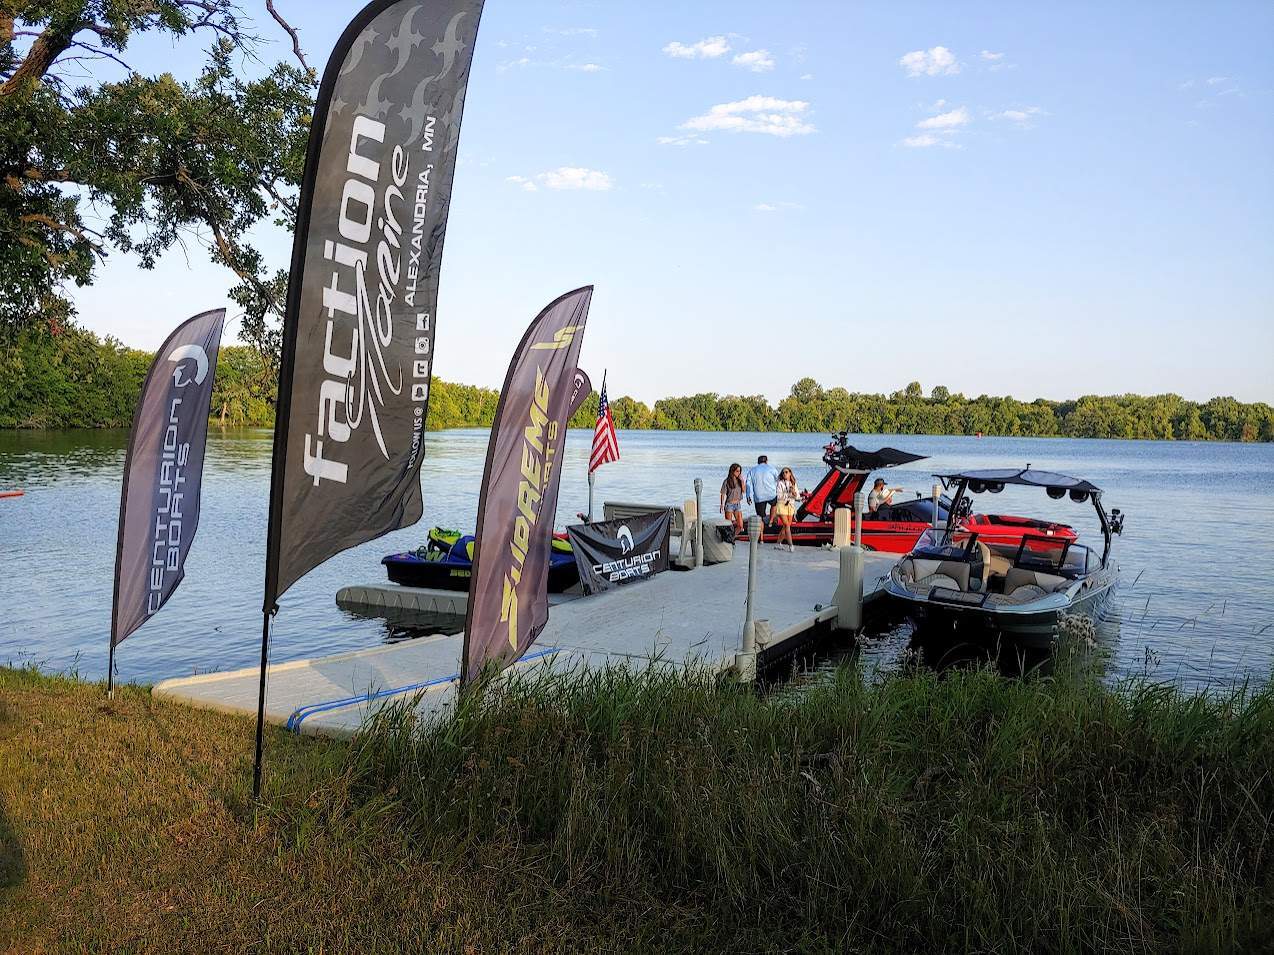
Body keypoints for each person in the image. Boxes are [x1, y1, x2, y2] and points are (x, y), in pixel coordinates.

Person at [772, 466, 799, 551]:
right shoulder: (780, 483)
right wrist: (787, 493)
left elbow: (797, 496)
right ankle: (791, 545)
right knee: (787, 525)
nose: (784, 474)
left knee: (785, 526)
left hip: (790, 506)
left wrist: (794, 493)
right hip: (781, 505)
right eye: (783, 472)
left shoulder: (793, 483)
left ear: (790, 473)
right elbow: (779, 496)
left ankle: (777, 543)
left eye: (786, 472)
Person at [745, 454, 779, 521]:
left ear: (758, 462)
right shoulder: (772, 469)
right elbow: (779, 481)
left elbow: (748, 484)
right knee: (774, 505)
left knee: (760, 516)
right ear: (766, 461)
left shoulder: (752, 471)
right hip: (771, 495)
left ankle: (761, 529)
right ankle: (771, 520)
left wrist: (748, 496)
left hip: (759, 497)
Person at [719, 463, 746, 535]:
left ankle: (732, 538)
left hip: (737, 504)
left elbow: (744, 491)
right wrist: (721, 504)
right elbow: (723, 493)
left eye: (740, 471)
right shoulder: (727, 481)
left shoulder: (740, 481)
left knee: (740, 526)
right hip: (729, 504)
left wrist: (742, 481)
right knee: (729, 525)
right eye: (737, 471)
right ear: (732, 471)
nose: (739, 473)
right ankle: (729, 539)